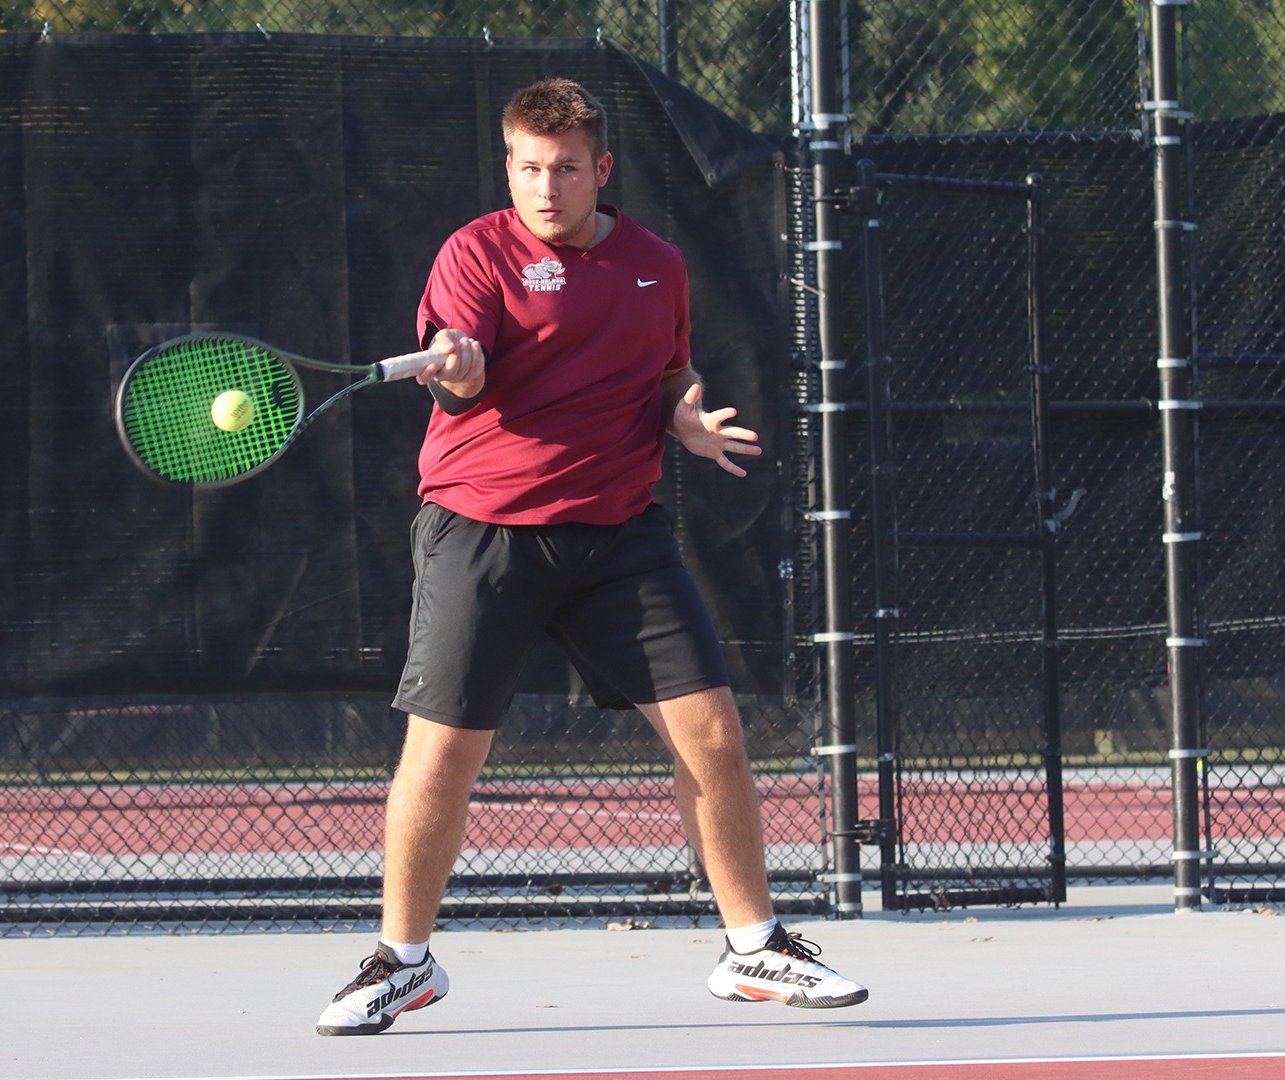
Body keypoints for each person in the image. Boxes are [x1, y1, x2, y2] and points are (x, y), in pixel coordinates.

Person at [314, 77, 869, 1037]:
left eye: (565, 168)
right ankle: (402, 962)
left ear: (600, 170)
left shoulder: (657, 264)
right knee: (442, 753)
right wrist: (461, 369)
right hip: (484, 531)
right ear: (509, 167)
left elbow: (667, 373)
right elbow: (463, 368)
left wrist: (684, 415)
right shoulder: (476, 253)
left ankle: (754, 948)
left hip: (620, 532)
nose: (545, 186)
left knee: (715, 734)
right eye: (528, 167)